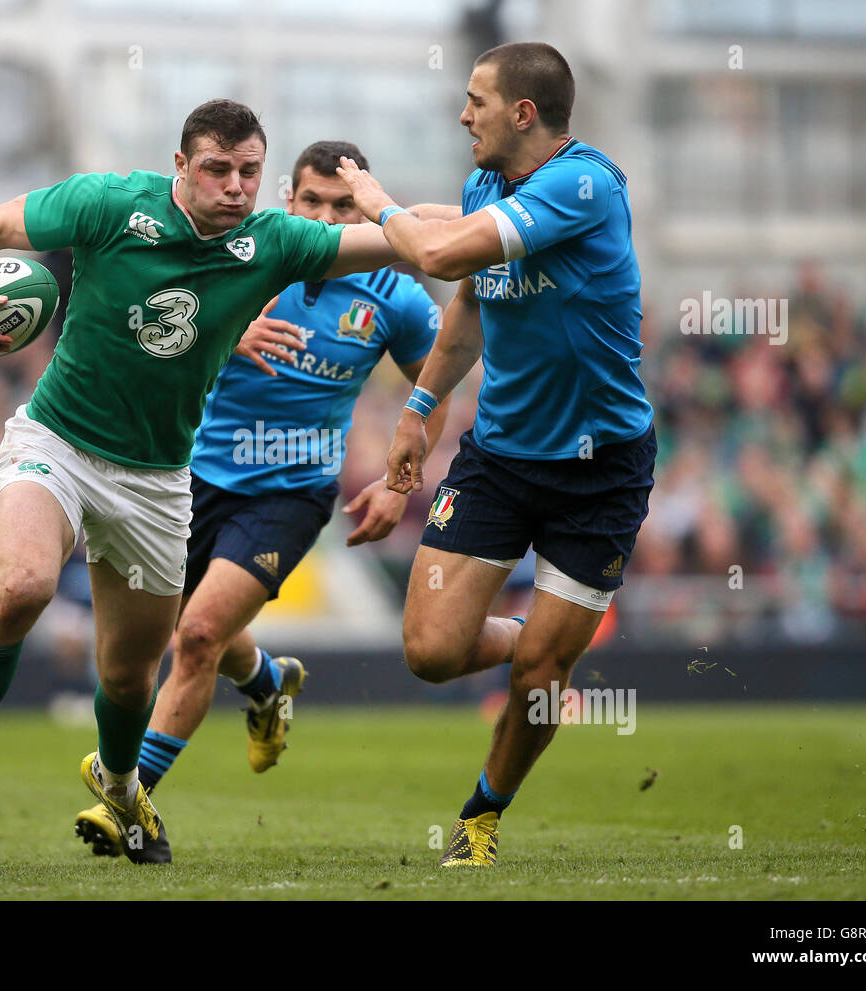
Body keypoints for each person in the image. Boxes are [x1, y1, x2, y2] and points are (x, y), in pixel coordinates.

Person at [0, 99, 403, 865]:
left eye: (249, 171)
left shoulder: (275, 241)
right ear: (180, 165)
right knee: (21, 587)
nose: (235, 186)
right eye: (217, 169)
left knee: (125, 674)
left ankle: (122, 789)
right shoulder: (110, 203)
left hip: (157, 482)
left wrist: (510, 220)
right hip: (58, 442)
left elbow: (412, 242)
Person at [72, 141, 454, 858]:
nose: (326, 219)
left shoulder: (397, 297)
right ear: (288, 202)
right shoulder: (239, 261)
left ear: (368, 210)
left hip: (291, 493)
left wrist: (398, 482)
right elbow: (145, 330)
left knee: (196, 636)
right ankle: (269, 683)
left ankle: (128, 803)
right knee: (180, 626)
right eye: (312, 202)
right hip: (189, 480)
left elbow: (436, 387)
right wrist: (220, 330)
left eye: (345, 206)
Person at [337, 42, 656, 866]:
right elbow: (468, 307)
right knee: (431, 651)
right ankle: (542, 639)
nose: (462, 114)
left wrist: (374, 200)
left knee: (541, 675)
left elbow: (438, 253)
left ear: (523, 113)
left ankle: (482, 813)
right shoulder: (487, 186)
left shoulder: (585, 185)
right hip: (501, 457)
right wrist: (417, 411)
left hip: (601, 469)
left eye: (475, 101)